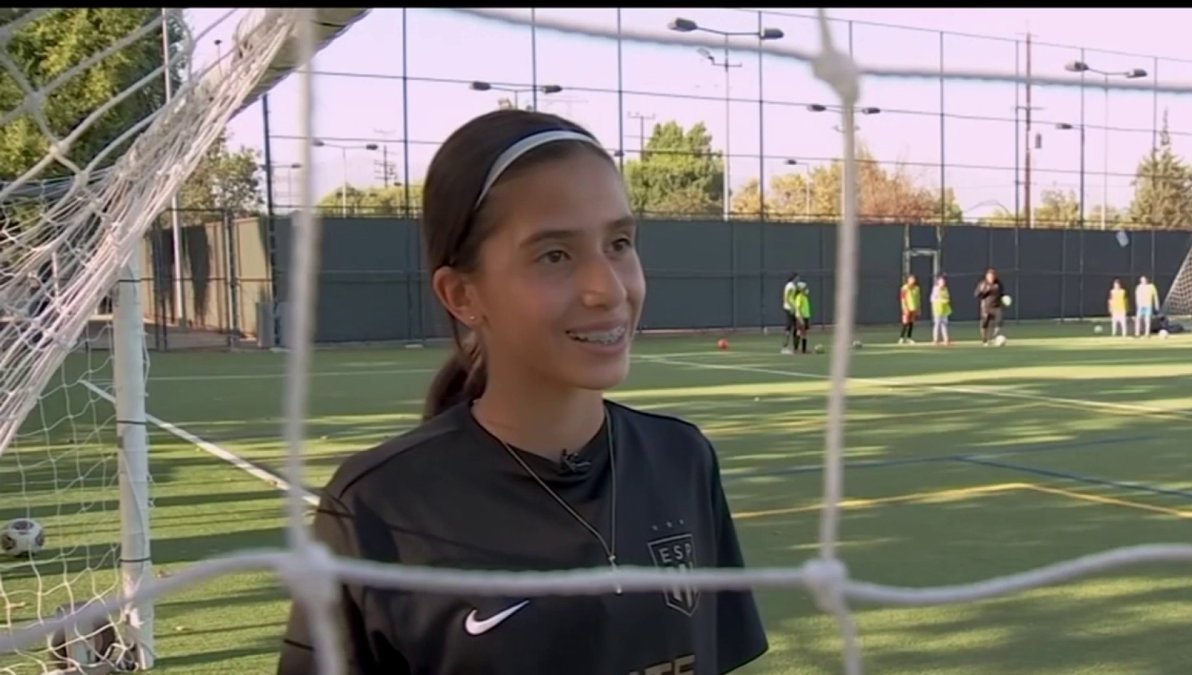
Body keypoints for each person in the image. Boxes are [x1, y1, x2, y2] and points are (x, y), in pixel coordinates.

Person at [276, 110, 768, 675]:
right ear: (462, 295)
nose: (607, 289)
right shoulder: (377, 508)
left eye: (619, 242)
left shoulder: (681, 460)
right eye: (554, 254)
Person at [975, 267, 1004, 345]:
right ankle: (984, 340)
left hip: (997, 306)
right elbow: (977, 294)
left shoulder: (998, 283)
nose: (992, 277)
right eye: (990, 276)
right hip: (986, 307)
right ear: (986, 276)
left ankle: (994, 338)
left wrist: (1003, 299)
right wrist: (984, 291)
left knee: (999, 322)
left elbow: (1001, 293)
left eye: (993, 276)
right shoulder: (982, 284)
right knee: (984, 324)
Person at [790, 280, 812, 354]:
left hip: (805, 317)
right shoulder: (799, 297)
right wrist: (800, 318)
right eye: (805, 288)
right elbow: (798, 308)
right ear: (801, 289)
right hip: (801, 317)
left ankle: (804, 349)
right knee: (799, 332)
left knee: (804, 333)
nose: (807, 289)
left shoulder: (804, 297)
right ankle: (796, 349)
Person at [929, 275, 952, 346]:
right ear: (938, 282)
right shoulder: (935, 289)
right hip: (937, 309)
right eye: (941, 281)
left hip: (944, 310)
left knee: (944, 324)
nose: (943, 283)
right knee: (937, 324)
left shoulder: (945, 289)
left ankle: (946, 340)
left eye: (943, 281)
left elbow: (947, 297)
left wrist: (946, 300)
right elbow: (932, 299)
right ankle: (935, 340)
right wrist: (941, 301)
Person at [780, 273, 800, 354]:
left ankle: (795, 348)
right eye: (797, 278)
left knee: (796, 327)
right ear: (794, 278)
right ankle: (784, 347)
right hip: (789, 308)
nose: (798, 280)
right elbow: (787, 297)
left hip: (793, 308)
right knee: (789, 326)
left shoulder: (793, 286)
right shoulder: (790, 286)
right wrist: (791, 307)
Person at [898, 274, 920, 344]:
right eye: (911, 279)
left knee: (911, 323)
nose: (913, 280)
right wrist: (904, 308)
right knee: (905, 323)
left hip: (913, 308)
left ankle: (909, 338)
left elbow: (918, 299)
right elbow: (902, 298)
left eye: (914, 279)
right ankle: (901, 338)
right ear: (908, 280)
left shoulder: (916, 288)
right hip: (907, 308)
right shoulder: (904, 288)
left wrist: (918, 308)